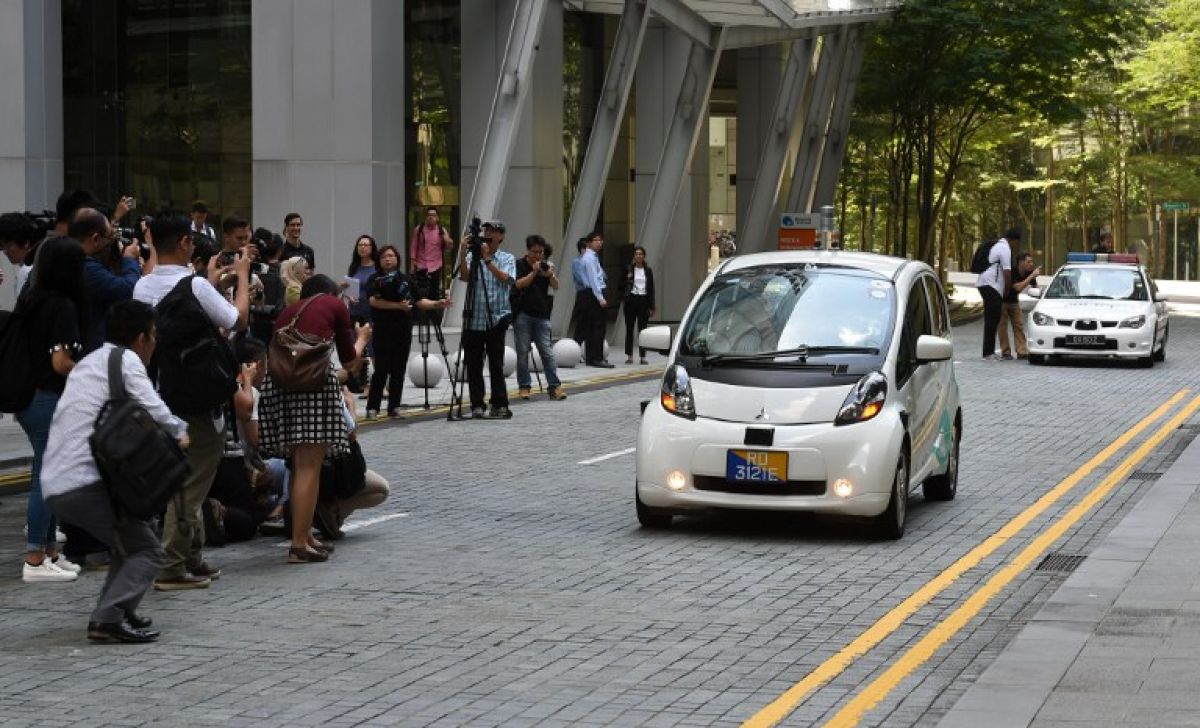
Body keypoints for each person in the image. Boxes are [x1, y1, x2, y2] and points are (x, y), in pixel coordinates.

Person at [42, 300, 187, 642]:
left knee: (132, 539)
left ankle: (118, 610)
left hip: (60, 479)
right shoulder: (125, 360)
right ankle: (107, 619)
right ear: (141, 337)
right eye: (154, 335)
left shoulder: (92, 361)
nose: (155, 342)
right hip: (83, 481)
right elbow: (152, 404)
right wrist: (182, 432)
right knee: (147, 549)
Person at [133, 213, 250, 591]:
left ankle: (192, 556)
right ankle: (171, 564)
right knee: (193, 480)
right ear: (185, 242)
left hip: (160, 392)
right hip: (197, 396)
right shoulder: (195, 286)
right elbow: (236, 321)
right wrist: (244, 278)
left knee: (185, 476)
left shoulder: (141, 287)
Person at [258, 274, 370, 563]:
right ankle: (298, 546)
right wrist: (361, 339)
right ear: (330, 293)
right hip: (310, 385)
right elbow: (349, 362)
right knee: (310, 466)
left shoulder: (288, 310)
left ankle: (305, 535)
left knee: (300, 465)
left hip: (279, 384)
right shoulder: (335, 306)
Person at [12, 237, 88, 582]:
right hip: (48, 398)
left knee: (48, 475)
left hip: (29, 397)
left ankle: (50, 552)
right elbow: (60, 362)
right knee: (47, 479)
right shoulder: (62, 306)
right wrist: (90, 372)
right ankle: (35, 558)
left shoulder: (30, 299)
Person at [366, 245, 451, 417]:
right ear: (379, 261)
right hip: (383, 329)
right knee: (381, 369)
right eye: (384, 257)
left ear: (397, 259)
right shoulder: (375, 279)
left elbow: (419, 301)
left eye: (391, 256)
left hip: (403, 329)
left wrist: (436, 304)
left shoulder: (405, 279)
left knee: (399, 369)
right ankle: (372, 408)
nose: (388, 259)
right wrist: (398, 306)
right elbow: (374, 302)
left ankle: (394, 406)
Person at [456, 220, 516, 419]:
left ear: (501, 236)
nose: (488, 233)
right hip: (474, 318)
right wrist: (463, 254)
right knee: (473, 364)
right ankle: (477, 404)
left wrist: (487, 258)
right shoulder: (473, 256)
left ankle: (499, 404)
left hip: (497, 318)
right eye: (486, 230)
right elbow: (464, 277)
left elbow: (505, 278)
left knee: (496, 364)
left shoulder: (507, 258)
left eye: (493, 231)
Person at [70, 208, 142, 352]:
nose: (112, 242)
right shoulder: (85, 266)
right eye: (110, 237)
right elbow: (127, 289)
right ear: (96, 239)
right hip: (89, 350)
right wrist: (129, 260)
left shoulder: (68, 257)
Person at [512, 234, 566, 401]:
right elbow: (518, 284)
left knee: (547, 352)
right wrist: (534, 272)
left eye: (540, 252)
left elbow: (556, 286)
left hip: (542, 315)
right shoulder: (518, 264)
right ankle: (524, 386)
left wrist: (550, 275)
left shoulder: (545, 265)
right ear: (527, 251)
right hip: (523, 314)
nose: (537, 255)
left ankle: (554, 386)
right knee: (522, 352)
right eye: (534, 252)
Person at [976, 229, 1015, 361]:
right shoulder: (1005, 248)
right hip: (992, 285)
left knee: (991, 319)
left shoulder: (997, 245)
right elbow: (1007, 272)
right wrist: (1007, 289)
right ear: (1014, 241)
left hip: (984, 283)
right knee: (992, 319)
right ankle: (988, 353)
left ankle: (988, 352)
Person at [578, 232, 613, 367]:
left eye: (601, 240)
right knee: (598, 327)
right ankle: (596, 358)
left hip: (593, 293)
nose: (599, 243)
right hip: (594, 294)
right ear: (589, 242)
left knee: (592, 327)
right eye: (596, 240)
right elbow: (593, 279)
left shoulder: (592, 257)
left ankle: (592, 358)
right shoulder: (589, 258)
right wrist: (600, 297)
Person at [999, 252, 1040, 360]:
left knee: (1019, 325)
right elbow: (1018, 287)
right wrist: (1032, 275)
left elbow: (1036, 287)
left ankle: (1021, 351)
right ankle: (1006, 351)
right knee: (1002, 326)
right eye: (1028, 262)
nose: (1031, 264)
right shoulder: (1012, 271)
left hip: (1014, 301)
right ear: (1021, 263)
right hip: (1002, 300)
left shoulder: (1029, 272)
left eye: (1032, 261)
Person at [622, 245, 656, 364]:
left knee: (642, 330)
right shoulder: (629, 269)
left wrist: (652, 306)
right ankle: (630, 356)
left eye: (640, 254)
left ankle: (643, 356)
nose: (638, 256)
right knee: (629, 328)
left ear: (644, 256)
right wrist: (627, 279)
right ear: (634, 256)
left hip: (644, 301)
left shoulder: (648, 270)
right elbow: (620, 285)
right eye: (636, 254)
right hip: (631, 300)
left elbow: (651, 289)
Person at [410, 207, 453, 298]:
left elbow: (449, 248)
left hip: (436, 265)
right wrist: (413, 263)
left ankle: (433, 311)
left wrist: (447, 240)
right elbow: (414, 246)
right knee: (420, 293)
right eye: (428, 215)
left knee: (434, 293)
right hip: (421, 265)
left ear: (437, 218)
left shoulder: (442, 230)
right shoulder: (419, 229)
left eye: (433, 215)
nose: (430, 217)